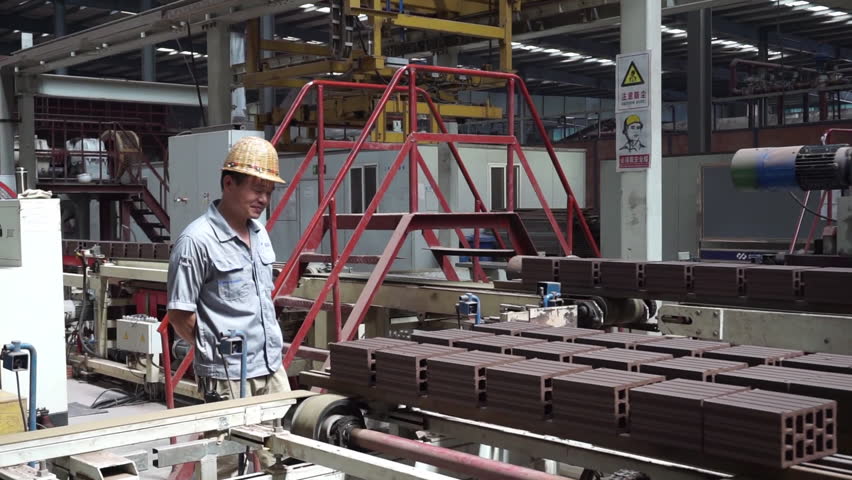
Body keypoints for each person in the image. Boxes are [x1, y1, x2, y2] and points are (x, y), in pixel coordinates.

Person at [166, 136, 288, 476]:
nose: (263, 199)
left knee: (280, 455)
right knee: (224, 462)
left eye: (269, 192)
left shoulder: (260, 233)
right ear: (228, 183)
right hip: (228, 376)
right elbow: (179, 315)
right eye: (256, 189)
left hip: (270, 365)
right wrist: (215, 353)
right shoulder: (197, 241)